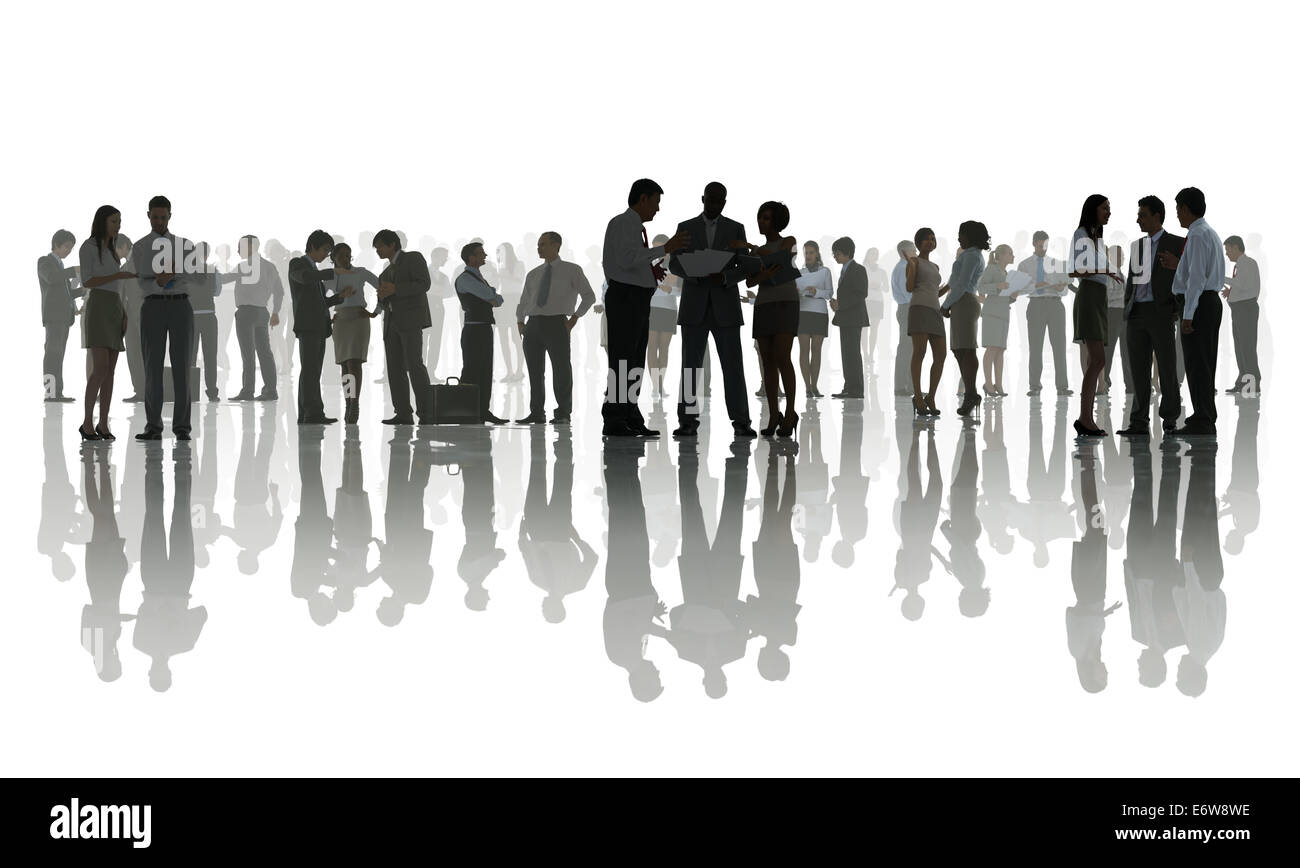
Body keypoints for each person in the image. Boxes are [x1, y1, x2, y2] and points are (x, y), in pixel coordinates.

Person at [600, 179, 688, 438]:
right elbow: (626, 260)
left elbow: (631, 260)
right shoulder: (623, 223)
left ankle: (629, 413)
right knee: (623, 359)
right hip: (625, 297)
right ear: (643, 199)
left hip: (636, 298)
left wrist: (651, 270)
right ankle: (615, 417)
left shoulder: (634, 226)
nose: (657, 209)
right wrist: (664, 249)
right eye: (656, 202)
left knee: (635, 358)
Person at [667, 181, 753, 438]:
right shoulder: (685, 227)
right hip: (695, 305)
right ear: (702, 198)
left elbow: (744, 266)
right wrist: (694, 274)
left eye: (719, 201)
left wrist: (725, 278)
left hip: (725, 306)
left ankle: (741, 421)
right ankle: (687, 421)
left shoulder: (736, 229)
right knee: (690, 367)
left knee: (733, 367)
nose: (714, 204)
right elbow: (674, 264)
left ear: (724, 202)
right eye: (710, 200)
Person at [131, 195, 198, 441]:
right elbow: (141, 279)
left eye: (163, 217)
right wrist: (168, 275)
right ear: (148, 215)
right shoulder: (139, 247)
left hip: (180, 306)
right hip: (153, 308)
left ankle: (182, 428)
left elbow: (193, 275)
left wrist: (163, 277)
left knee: (182, 368)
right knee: (152, 368)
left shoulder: (185, 245)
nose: (159, 221)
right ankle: (153, 427)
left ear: (170, 216)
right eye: (155, 217)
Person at [1116, 195, 1184, 437]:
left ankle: (1170, 420)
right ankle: (1138, 422)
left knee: (1166, 369)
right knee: (1138, 370)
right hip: (1136, 315)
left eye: (1143, 215)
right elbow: (1132, 283)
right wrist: (1127, 309)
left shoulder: (1177, 243)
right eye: (1138, 215)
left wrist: (1175, 309)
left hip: (1162, 313)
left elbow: (1184, 277)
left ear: (1157, 216)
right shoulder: (1137, 246)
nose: (1138, 220)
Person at [734, 201, 801, 437]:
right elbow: (750, 281)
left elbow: (782, 257)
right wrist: (763, 272)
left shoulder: (788, 241)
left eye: (765, 218)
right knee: (767, 361)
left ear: (777, 221)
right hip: (764, 304)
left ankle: (791, 412)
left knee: (783, 356)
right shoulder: (756, 252)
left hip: (786, 302)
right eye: (760, 217)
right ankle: (774, 414)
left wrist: (754, 249)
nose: (761, 221)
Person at [514, 230, 595, 425]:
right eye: (539, 244)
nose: (538, 248)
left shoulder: (572, 270)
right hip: (532, 324)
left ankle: (563, 413)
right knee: (534, 371)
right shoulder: (533, 273)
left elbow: (589, 296)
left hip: (557, 323)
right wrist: (520, 322)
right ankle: (536, 412)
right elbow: (524, 300)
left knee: (561, 370)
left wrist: (574, 318)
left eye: (543, 244)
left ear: (556, 245)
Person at [1167, 186, 1226, 436]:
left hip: (1200, 304)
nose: (1177, 214)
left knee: (1197, 362)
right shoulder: (1206, 233)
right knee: (1204, 362)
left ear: (1185, 208)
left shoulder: (1198, 235)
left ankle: (1203, 417)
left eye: (1178, 209)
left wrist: (1188, 314)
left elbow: (1197, 279)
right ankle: (1204, 414)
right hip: (1208, 303)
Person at [1067, 195, 1123, 437]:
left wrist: (1107, 271)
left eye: (1110, 208)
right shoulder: (1081, 234)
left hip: (1099, 298)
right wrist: (1106, 271)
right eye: (1105, 208)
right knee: (1098, 360)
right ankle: (1084, 418)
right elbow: (1074, 270)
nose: (1109, 212)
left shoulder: (1097, 239)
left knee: (1097, 360)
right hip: (1089, 296)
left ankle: (1086, 417)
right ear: (1093, 210)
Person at [76, 207, 133, 440]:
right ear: (102, 221)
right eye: (113, 221)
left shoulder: (112, 251)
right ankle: (87, 422)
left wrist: (124, 312)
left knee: (110, 372)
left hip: (114, 307)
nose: (117, 225)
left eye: (119, 221)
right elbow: (87, 280)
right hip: (98, 306)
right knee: (99, 369)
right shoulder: (88, 247)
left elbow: (118, 288)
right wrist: (117, 276)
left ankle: (103, 423)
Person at [287, 229, 352, 424]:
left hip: (318, 326)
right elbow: (304, 278)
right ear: (313, 247)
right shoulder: (298, 263)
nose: (326, 255)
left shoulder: (315, 271)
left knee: (313, 370)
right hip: (308, 326)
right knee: (310, 370)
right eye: (324, 250)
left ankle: (310, 412)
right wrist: (333, 272)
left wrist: (340, 297)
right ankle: (311, 413)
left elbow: (321, 302)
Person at [373, 229, 434, 425]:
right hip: (391, 323)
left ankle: (426, 412)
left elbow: (424, 284)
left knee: (414, 365)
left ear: (392, 244)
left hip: (410, 321)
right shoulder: (384, 272)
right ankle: (403, 413)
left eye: (380, 246)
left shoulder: (413, 258)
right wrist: (381, 297)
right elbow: (383, 299)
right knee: (394, 368)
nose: (378, 250)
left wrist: (396, 288)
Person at [223, 236, 284, 402]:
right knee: (265, 352)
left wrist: (205, 275)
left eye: (240, 247)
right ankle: (271, 390)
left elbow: (224, 279)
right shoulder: (269, 267)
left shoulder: (244, 266)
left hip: (245, 314)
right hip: (262, 313)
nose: (237, 251)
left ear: (250, 247)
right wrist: (276, 312)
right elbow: (279, 291)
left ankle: (248, 391)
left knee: (247, 354)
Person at [454, 241, 508, 424]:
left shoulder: (477, 277)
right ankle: (465, 410)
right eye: (481, 253)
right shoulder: (465, 279)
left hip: (483, 327)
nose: (485, 256)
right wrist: (491, 294)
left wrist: (492, 295)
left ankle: (483, 411)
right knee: (471, 370)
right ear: (471, 257)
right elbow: (491, 296)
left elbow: (496, 298)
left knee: (485, 370)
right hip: (473, 329)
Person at [326, 243, 380, 424]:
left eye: (348, 254)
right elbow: (320, 299)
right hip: (341, 320)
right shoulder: (329, 276)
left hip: (358, 318)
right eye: (341, 255)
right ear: (333, 257)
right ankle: (348, 401)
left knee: (354, 362)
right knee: (344, 365)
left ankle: (355, 403)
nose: (346, 258)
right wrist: (328, 317)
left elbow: (382, 286)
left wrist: (375, 311)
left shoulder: (361, 272)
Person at [939, 221, 989, 417]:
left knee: (966, 349)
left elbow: (961, 284)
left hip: (965, 301)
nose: (958, 238)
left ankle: (971, 394)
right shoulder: (970, 255)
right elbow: (953, 281)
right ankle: (971, 393)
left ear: (970, 236)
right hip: (962, 302)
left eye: (961, 234)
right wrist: (940, 294)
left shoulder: (972, 256)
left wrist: (945, 305)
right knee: (959, 349)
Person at [1018, 230, 1073, 396]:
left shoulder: (1056, 263)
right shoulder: (1024, 265)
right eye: (1041, 244)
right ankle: (1034, 386)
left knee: (1059, 346)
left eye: (1046, 245)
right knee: (1035, 347)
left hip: (1056, 305)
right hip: (1035, 305)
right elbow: (1020, 288)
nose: (1044, 248)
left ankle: (1062, 387)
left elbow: (1064, 290)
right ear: (1034, 243)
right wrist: (1037, 284)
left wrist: (1061, 287)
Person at [906, 227, 947, 416]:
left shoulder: (936, 267)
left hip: (934, 310)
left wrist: (949, 286)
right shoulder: (914, 261)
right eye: (927, 239)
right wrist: (912, 266)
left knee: (941, 355)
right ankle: (918, 396)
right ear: (919, 242)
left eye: (933, 238)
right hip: (919, 309)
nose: (930, 242)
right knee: (920, 352)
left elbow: (935, 292)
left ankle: (931, 396)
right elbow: (909, 287)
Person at [39, 229, 82, 402]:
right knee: (52, 354)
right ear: (56, 245)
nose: (68, 251)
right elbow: (51, 278)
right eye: (66, 247)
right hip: (53, 318)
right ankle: (50, 393)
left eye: (71, 248)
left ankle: (57, 392)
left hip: (64, 319)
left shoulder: (61, 268)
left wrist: (83, 291)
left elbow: (67, 294)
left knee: (59, 355)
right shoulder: (45, 262)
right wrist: (73, 270)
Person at [976, 243, 1020, 397]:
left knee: (1001, 351)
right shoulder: (991, 269)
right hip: (992, 314)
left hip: (1003, 315)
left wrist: (1013, 297)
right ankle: (988, 384)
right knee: (992, 349)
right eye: (1010, 253)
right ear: (1000, 255)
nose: (1012, 256)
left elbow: (1004, 297)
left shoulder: (1006, 272)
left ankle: (999, 384)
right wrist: (998, 285)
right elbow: (980, 287)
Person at [829, 236, 869, 399]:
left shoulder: (858, 269)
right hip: (846, 318)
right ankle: (849, 387)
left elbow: (861, 293)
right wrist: (838, 305)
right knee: (847, 353)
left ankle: (856, 389)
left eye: (837, 253)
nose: (835, 256)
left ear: (846, 253)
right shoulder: (845, 269)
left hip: (853, 318)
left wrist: (841, 304)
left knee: (852, 353)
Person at [1221, 235, 1261, 394]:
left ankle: (1252, 383)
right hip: (1239, 310)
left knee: (1247, 347)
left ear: (1236, 247)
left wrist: (1221, 278)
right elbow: (1243, 285)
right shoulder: (1240, 264)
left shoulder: (1248, 263)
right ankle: (1243, 380)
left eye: (1228, 249)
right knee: (1240, 348)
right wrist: (1232, 292)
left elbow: (1243, 283)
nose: (1227, 254)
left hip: (1246, 310)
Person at [646, 233, 681, 400]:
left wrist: (671, 289)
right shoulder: (647, 265)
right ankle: (655, 386)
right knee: (652, 346)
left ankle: (661, 384)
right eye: (655, 248)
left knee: (664, 348)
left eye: (660, 247)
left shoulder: (675, 266)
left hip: (669, 310)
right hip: (651, 309)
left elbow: (681, 291)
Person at [797, 240, 833, 397]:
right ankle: (807, 387)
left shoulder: (825, 271)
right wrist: (797, 294)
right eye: (806, 253)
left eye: (811, 252)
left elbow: (829, 293)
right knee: (804, 350)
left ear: (817, 253)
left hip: (819, 313)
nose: (808, 256)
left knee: (816, 350)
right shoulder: (799, 272)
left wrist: (816, 292)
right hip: (803, 312)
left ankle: (815, 386)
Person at [187, 241, 223, 401]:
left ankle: (190, 391)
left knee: (190, 355)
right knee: (210, 355)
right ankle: (212, 392)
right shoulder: (213, 271)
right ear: (208, 255)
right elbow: (217, 291)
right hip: (209, 316)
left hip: (191, 316)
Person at [1100, 244, 1130, 395]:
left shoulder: (1122, 275)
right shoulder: (1107, 275)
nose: (1122, 258)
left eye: (1123, 256)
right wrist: (1124, 294)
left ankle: (1130, 385)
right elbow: (1107, 296)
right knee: (1108, 349)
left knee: (1127, 350)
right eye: (1119, 255)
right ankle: (1104, 381)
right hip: (1112, 314)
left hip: (1124, 315)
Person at [495, 242, 526, 383]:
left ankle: (519, 370)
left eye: (500, 252)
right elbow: (497, 285)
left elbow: (519, 280)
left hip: (515, 299)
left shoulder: (519, 264)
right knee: (503, 338)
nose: (499, 255)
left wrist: (503, 274)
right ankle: (509, 371)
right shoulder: (500, 267)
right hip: (504, 300)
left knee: (516, 338)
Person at [890, 240, 916, 396]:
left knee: (911, 349)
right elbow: (908, 293)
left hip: (907, 308)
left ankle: (911, 386)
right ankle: (901, 387)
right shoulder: (903, 267)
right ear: (904, 252)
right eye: (913, 250)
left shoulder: (905, 266)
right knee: (906, 348)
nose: (916, 253)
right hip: (907, 308)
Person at [424, 246, 452, 378]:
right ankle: (421, 371)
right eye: (444, 257)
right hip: (425, 309)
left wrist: (433, 289)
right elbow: (426, 289)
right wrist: (438, 290)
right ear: (435, 257)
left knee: (436, 341)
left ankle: (431, 371)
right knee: (423, 340)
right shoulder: (423, 272)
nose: (445, 259)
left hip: (439, 311)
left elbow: (449, 293)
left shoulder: (444, 276)